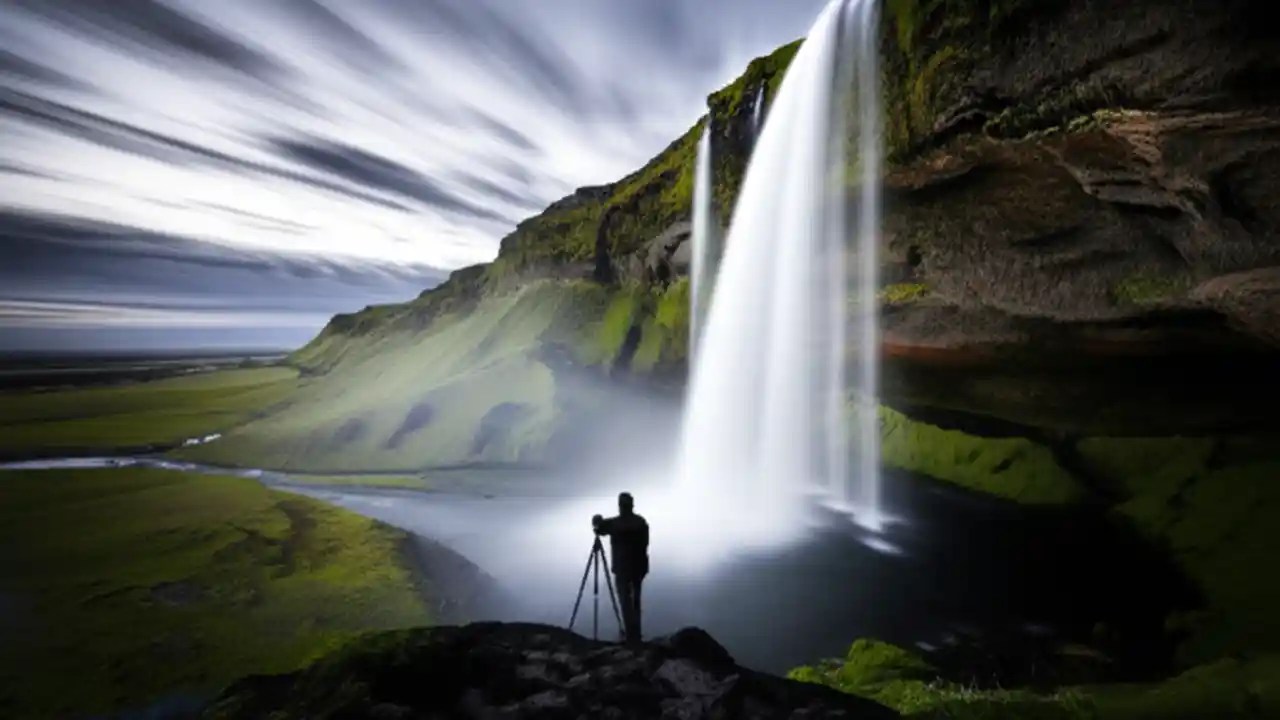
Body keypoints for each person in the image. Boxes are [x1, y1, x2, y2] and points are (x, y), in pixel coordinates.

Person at [592, 492, 649, 643]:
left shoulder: (616, 524)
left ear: (620, 506)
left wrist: (597, 521)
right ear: (632, 505)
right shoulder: (640, 522)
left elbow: (599, 528)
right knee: (635, 601)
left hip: (623, 569)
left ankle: (631, 635)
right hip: (639, 568)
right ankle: (636, 634)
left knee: (625, 600)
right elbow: (645, 543)